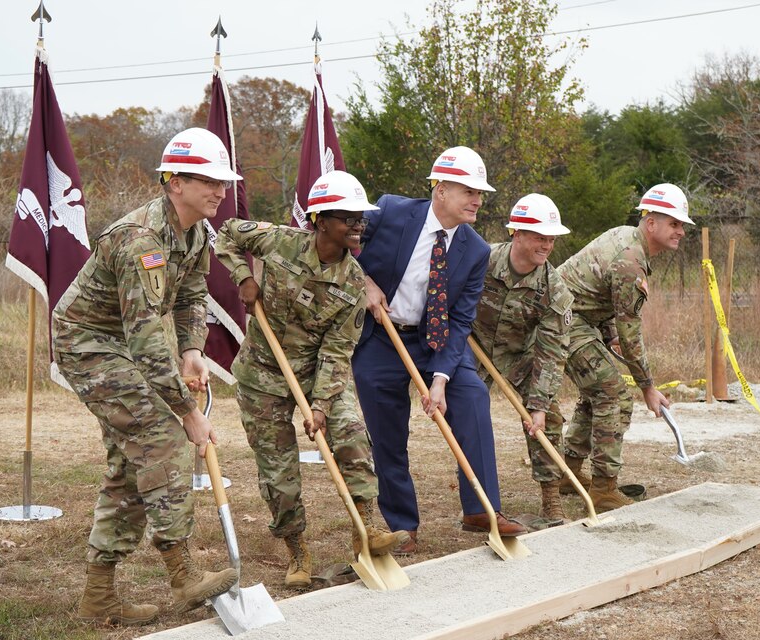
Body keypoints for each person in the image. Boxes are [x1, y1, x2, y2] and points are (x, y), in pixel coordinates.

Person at [52, 128, 241, 626]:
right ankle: (183, 576)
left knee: (130, 461)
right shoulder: (141, 240)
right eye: (207, 181)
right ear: (174, 182)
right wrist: (186, 413)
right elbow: (143, 341)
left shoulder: (196, 231)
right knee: (161, 437)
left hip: (122, 343)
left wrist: (194, 349)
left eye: (223, 181)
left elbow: (192, 293)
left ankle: (99, 598)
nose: (219, 191)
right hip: (87, 342)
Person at [215, 170, 409, 588]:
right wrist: (243, 276)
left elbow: (337, 351)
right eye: (349, 218)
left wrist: (320, 405)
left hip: (317, 374)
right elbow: (226, 233)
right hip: (263, 375)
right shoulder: (279, 241)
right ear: (322, 221)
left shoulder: (355, 283)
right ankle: (295, 548)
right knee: (278, 468)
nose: (359, 226)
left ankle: (366, 531)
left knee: (353, 436)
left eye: (362, 219)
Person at [352, 146, 526, 556]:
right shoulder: (391, 212)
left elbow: (462, 320)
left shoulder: (477, 250)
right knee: (388, 431)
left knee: (472, 396)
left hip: (437, 340)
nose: (478, 200)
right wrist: (363, 281)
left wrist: (442, 379)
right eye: (469, 190)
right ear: (441, 189)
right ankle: (402, 525)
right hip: (381, 338)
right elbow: (334, 234)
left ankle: (481, 509)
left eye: (481, 193)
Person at [556, 183, 695, 512]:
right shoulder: (631, 259)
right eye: (674, 224)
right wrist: (648, 388)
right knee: (614, 395)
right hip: (562, 322)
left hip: (574, 320)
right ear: (651, 223)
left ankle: (568, 473)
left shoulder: (629, 241)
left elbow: (593, 295)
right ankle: (604, 489)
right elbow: (630, 334)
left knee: (600, 393)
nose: (681, 232)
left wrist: (608, 331)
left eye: (682, 225)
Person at [471, 193, 574, 526]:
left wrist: (539, 405)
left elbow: (551, 350)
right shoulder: (481, 260)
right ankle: (475, 500)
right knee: (467, 414)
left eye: (551, 238)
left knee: (549, 418)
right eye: (539, 237)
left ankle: (551, 498)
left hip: (519, 354)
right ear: (516, 233)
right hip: (472, 347)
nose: (546, 245)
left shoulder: (554, 289)